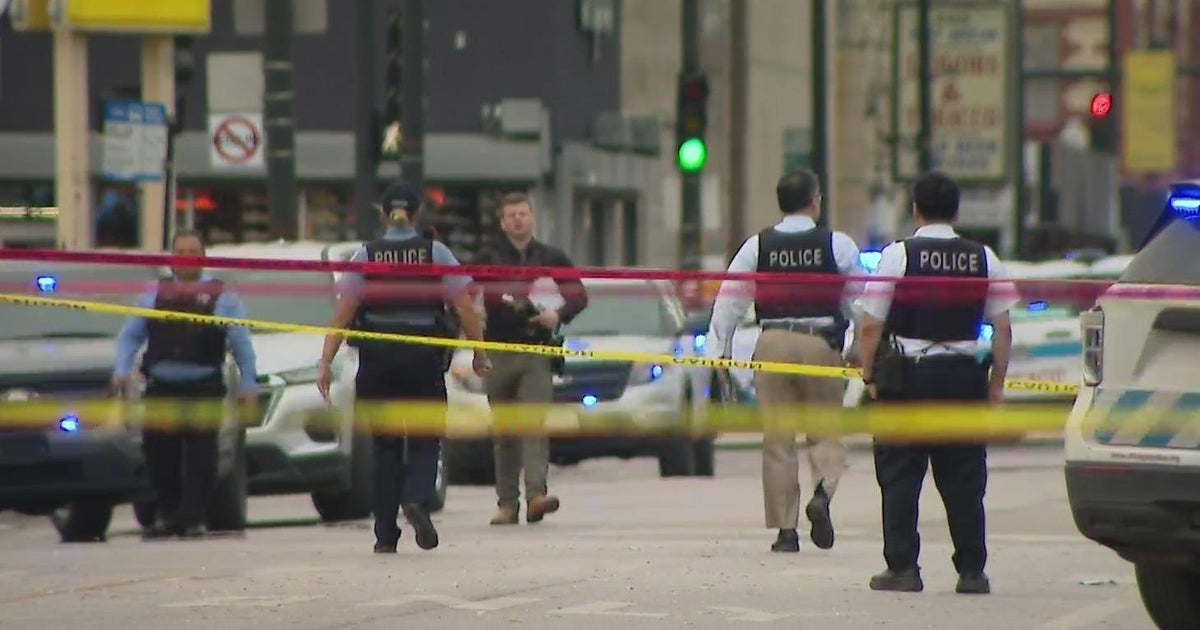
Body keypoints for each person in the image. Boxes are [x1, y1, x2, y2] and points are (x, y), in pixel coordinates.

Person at [855, 171, 1015, 595]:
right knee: (964, 479)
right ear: (957, 212)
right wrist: (996, 385)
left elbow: (870, 325)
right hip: (964, 379)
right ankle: (972, 571)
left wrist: (869, 376)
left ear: (915, 211)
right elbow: (1002, 329)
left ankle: (903, 568)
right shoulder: (983, 257)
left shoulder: (898, 255)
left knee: (900, 477)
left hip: (908, 381)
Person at [316, 181, 489, 554]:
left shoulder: (366, 254)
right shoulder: (435, 253)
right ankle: (416, 499)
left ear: (383, 213)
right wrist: (479, 353)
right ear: (418, 213)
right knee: (426, 438)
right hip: (422, 358)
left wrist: (325, 362)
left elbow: (343, 314)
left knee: (384, 447)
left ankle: (384, 534)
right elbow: (466, 308)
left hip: (378, 361)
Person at [708, 169, 863, 553]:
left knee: (778, 439)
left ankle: (786, 531)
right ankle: (823, 495)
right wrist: (861, 344)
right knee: (825, 432)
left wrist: (719, 354)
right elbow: (861, 300)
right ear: (815, 201)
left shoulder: (757, 246)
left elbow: (729, 301)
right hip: (819, 344)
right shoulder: (836, 245)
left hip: (773, 342)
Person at [112, 229, 258, 540]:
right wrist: (122, 369)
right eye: (182, 251)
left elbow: (241, 343)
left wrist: (248, 384)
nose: (187, 258)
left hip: (203, 387)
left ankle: (191, 518)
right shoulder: (154, 293)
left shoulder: (222, 296)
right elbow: (131, 335)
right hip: (161, 387)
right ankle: (170, 514)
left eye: (194, 251)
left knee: (201, 458)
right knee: (159, 455)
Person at [475, 192, 588, 526]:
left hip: (536, 351)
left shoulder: (551, 257)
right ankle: (507, 504)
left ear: (532, 217)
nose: (518, 220)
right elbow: (466, 295)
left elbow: (578, 296)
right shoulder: (489, 257)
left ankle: (536, 495)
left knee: (534, 425)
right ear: (502, 222)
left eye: (523, 213)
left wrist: (559, 314)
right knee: (505, 433)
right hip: (498, 350)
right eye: (511, 215)